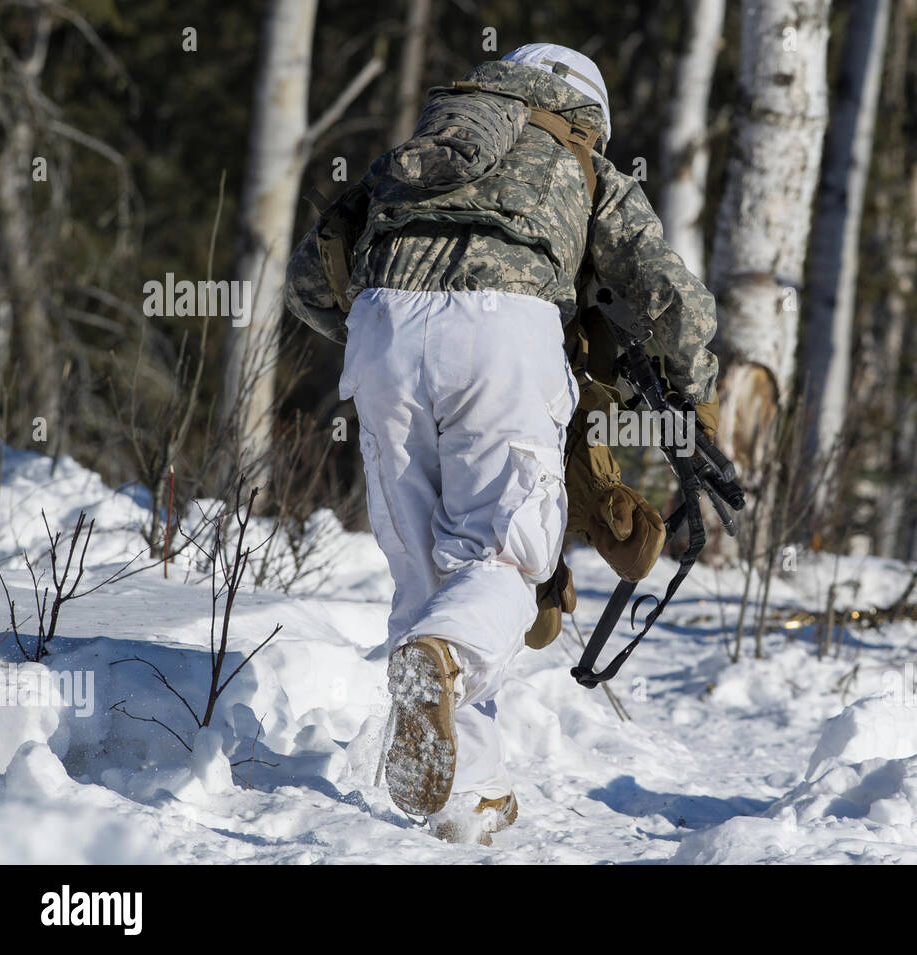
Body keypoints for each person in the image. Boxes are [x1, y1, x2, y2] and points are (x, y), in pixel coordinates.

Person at [285, 43, 719, 844]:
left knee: (424, 573)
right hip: (503, 333)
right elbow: (671, 298)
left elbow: (311, 278)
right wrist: (696, 388)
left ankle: (467, 796)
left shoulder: (422, 147)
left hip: (381, 329)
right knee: (506, 561)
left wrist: (388, 336)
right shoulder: (583, 161)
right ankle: (447, 659)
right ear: (592, 111)